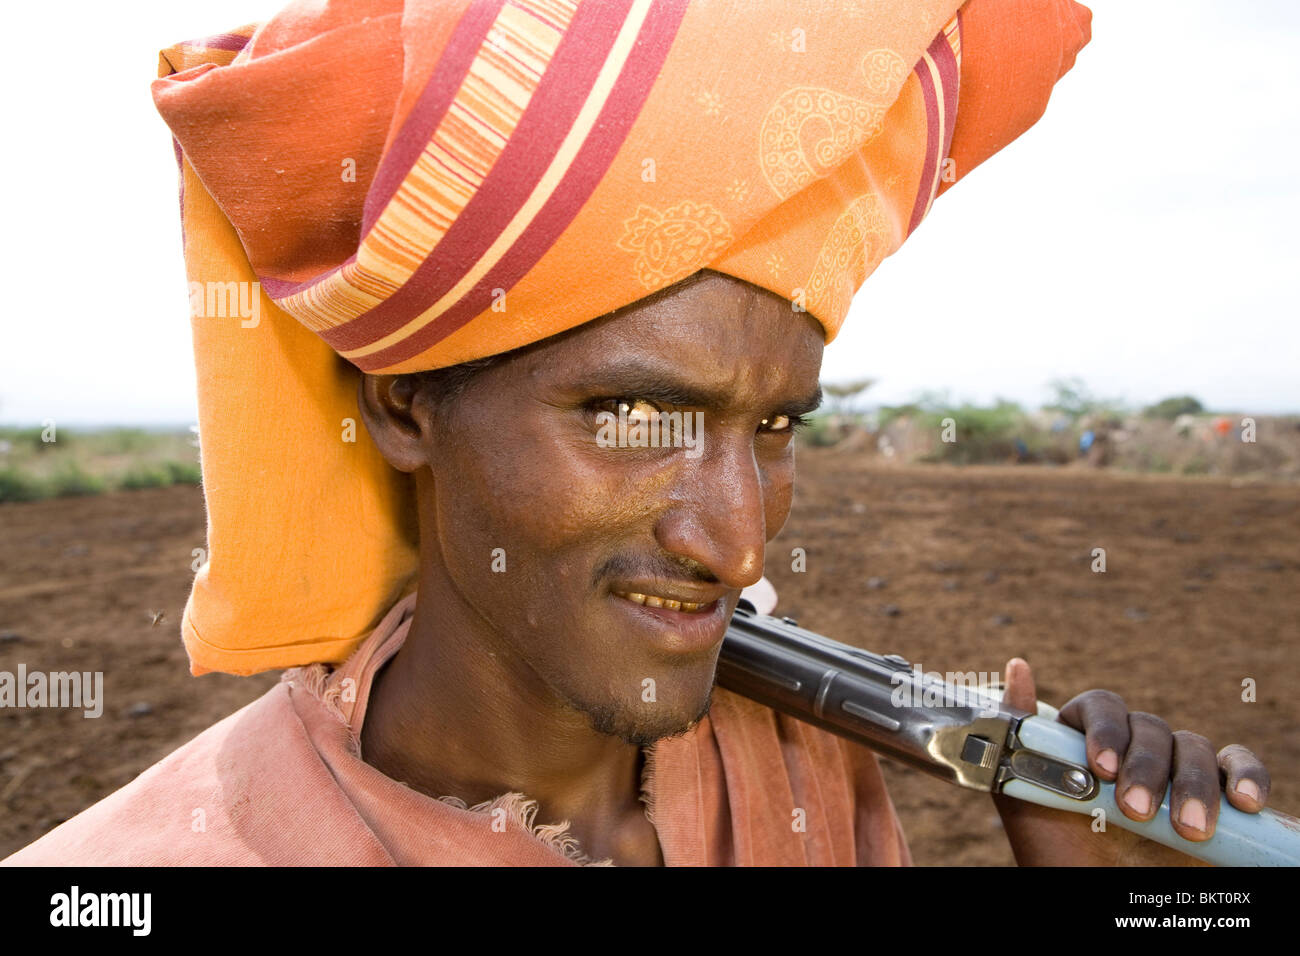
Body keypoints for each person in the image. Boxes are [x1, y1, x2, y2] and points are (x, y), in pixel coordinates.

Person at [3, 0, 1273, 866]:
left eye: (772, 425)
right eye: (631, 415)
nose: (732, 542)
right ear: (404, 404)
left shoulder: (813, 772)